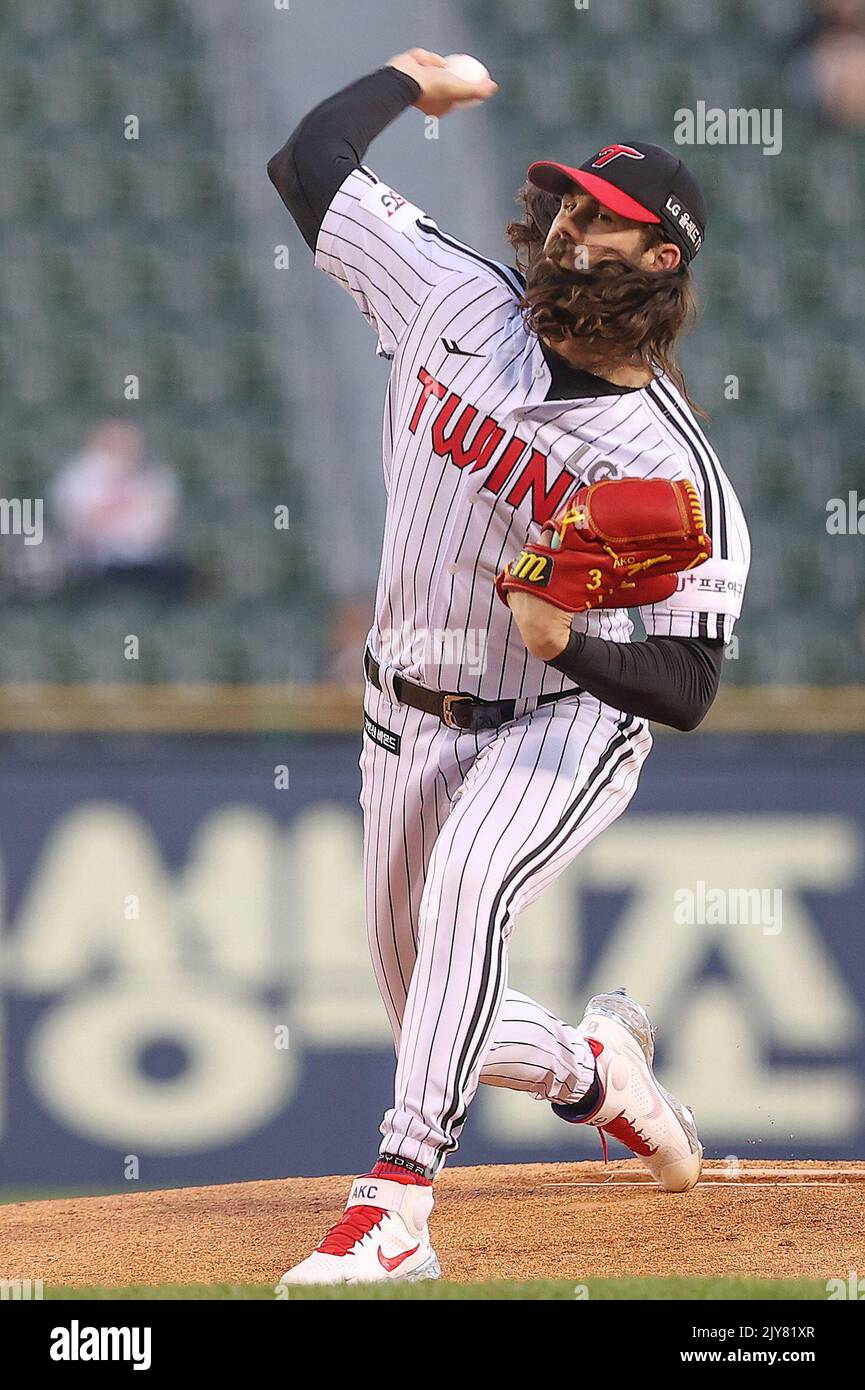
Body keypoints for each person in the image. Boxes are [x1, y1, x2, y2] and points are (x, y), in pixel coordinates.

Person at [268, 48, 750, 1285]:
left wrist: (569, 640)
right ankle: (601, 1074)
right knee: (431, 1005)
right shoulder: (452, 293)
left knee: (467, 898)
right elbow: (306, 163)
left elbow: (689, 689)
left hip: (558, 721)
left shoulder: (669, 465)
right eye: (571, 202)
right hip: (400, 713)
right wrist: (399, 78)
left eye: (612, 220)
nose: (575, 224)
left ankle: (396, 1205)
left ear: (662, 260)